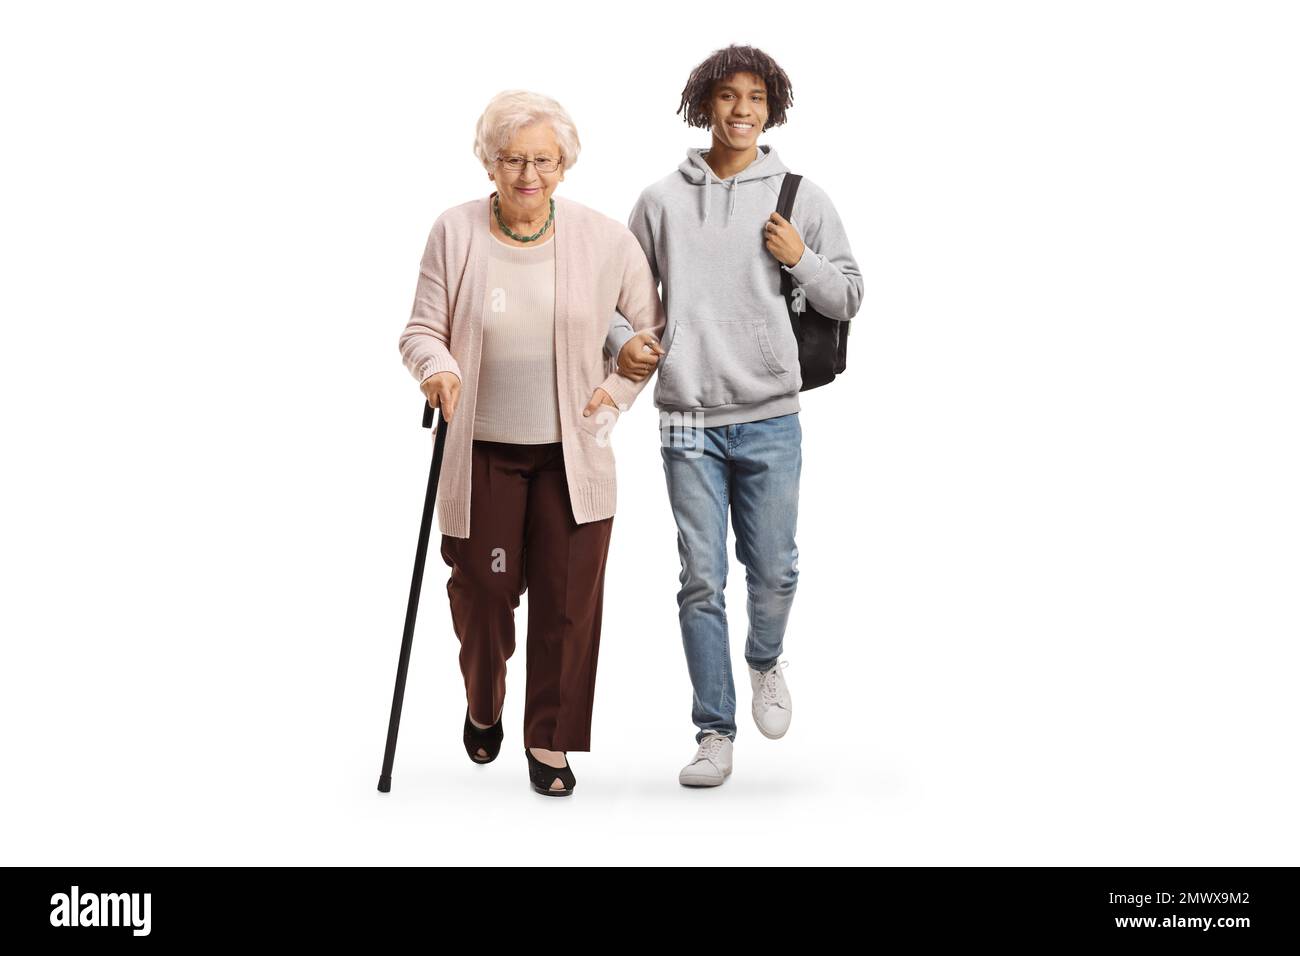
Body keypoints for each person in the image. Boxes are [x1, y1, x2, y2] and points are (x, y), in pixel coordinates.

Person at [608, 44, 864, 786]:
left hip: (771, 414)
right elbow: (615, 300)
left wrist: (801, 259)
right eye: (728, 96)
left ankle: (764, 661)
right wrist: (629, 343)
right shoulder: (659, 200)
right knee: (700, 578)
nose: (742, 109)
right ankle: (713, 730)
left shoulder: (799, 195)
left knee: (776, 570)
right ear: (704, 105)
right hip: (686, 415)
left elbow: (847, 295)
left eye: (755, 97)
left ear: (772, 108)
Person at [398, 89, 665, 797]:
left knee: (567, 603)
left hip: (572, 454)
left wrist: (619, 383)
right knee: (484, 591)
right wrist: (440, 367)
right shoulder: (455, 232)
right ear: (489, 163)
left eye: (543, 160)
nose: (528, 174)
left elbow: (650, 331)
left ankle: (548, 741)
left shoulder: (603, 238)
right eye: (513, 159)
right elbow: (421, 329)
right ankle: (484, 699)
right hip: (483, 450)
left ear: (564, 165)